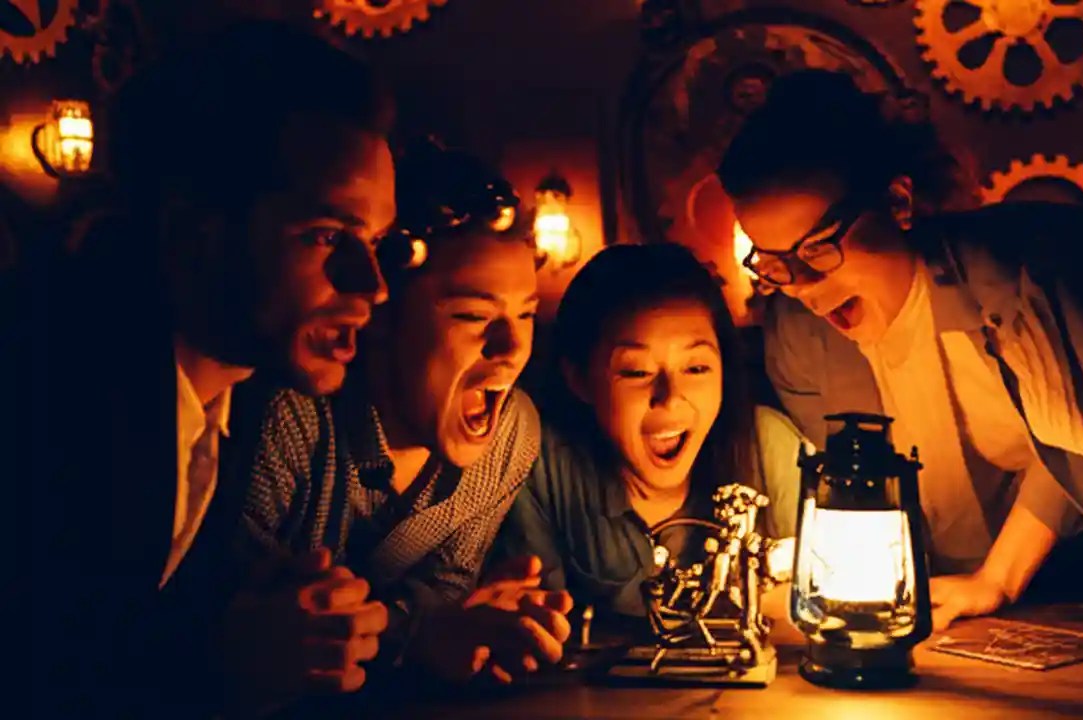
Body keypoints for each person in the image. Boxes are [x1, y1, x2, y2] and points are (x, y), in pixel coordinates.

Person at [718, 69, 1083, 714]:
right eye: (772, 262)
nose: (801, 286)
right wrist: (985, 583)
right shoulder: (798, 334)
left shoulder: (1021, 280)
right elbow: (883, 483)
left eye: (818, 249)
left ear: (898, 203)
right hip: (1046, 590)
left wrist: (1000, 576)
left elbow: (1081, 437)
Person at [31, 22, 397, 716]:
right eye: (326, 236)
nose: (372, 284)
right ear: (192, 236)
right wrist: (222, 664)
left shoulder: (244, 400)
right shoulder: (47, 390)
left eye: (377, 241)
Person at [234, 144, 571, 691]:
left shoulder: (508, 433)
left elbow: (441, 596)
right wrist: (417, 634)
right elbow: (233, 618)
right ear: (382, 319)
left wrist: (453, 626)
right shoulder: (292, 418)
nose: (511, 348)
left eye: (527, 314)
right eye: (472, 316)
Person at [493, 243, 806, 637]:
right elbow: (535, 622)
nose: (670, 396)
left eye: (696, 367)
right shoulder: (540, 462)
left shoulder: (768, 446)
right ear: (579, 379)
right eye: (636, 371)